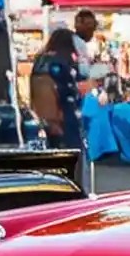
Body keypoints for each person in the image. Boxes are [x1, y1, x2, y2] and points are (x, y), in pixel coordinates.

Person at [29, 28, 92, 190]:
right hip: (63, 120)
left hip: (44, 120)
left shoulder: (40, 61)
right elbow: (67, 92)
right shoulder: (61, 63)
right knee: (72, 164)